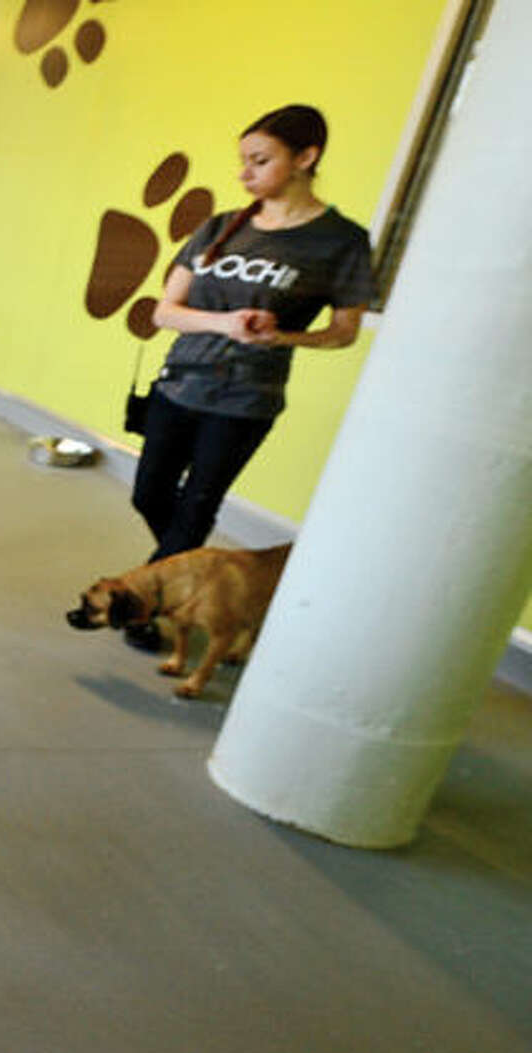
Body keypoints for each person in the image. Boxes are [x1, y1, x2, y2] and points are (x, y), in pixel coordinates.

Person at [126, 104, 375, 650]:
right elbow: (165, 312)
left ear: (306, 158)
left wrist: (281, 337)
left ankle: (148, 603)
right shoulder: (220, 227)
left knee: (197, 507)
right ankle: (195, 579)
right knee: (149, 493)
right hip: (178, 384)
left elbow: (344, 332)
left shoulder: (341, 241)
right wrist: (226, 323)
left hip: (245, 399)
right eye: (243, 161)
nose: (245, 174)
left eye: (260, 161)